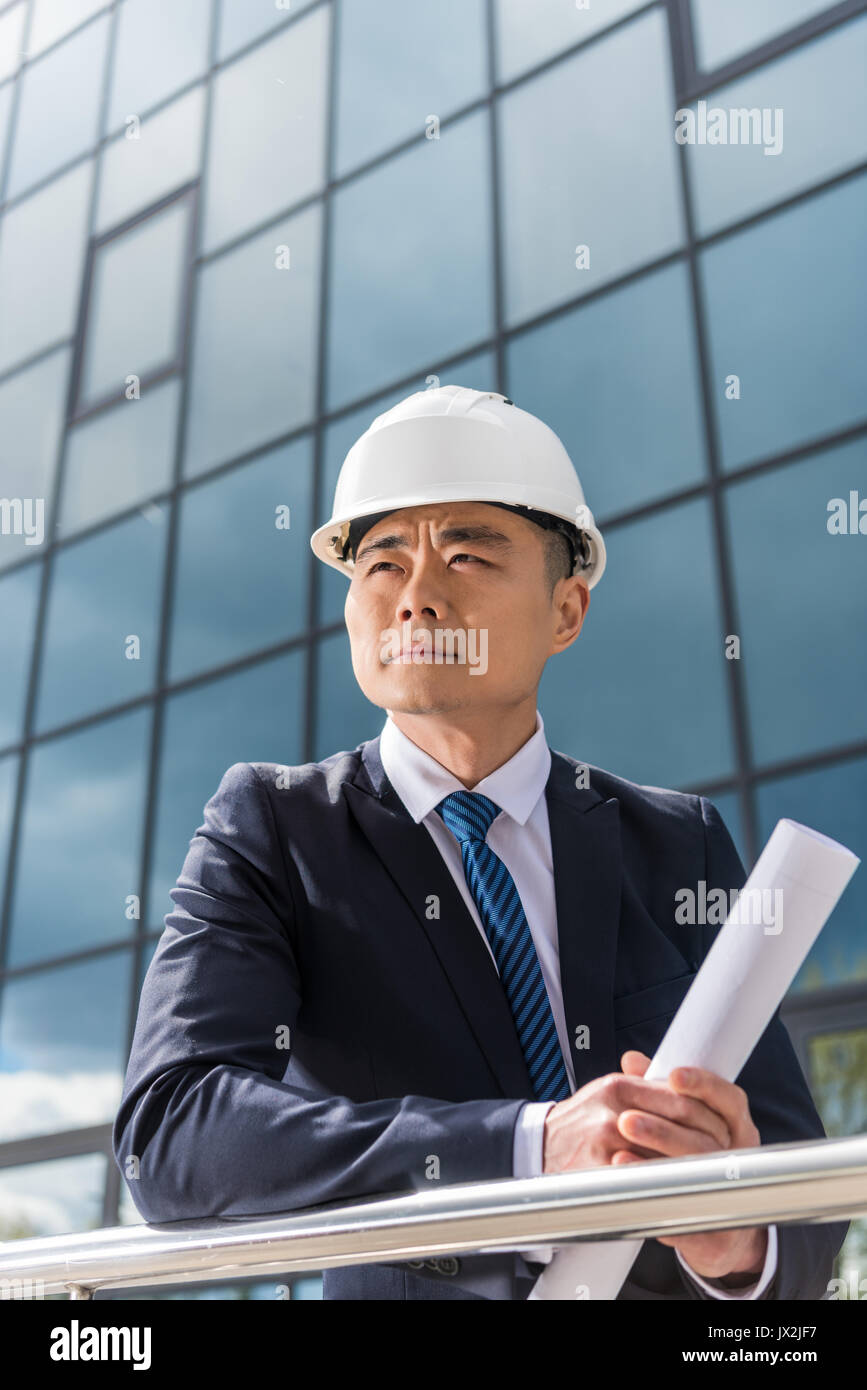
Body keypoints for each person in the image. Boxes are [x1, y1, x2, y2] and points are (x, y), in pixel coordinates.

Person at [113, 385, 848, 1300]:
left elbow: (796, 1197)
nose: (416, 597)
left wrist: (737, 1240)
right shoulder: (274, 830)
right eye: (381, 564)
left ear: (566, 611)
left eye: (465, 554)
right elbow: (174, 1136)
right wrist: (530, 1146)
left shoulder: (677, 845)